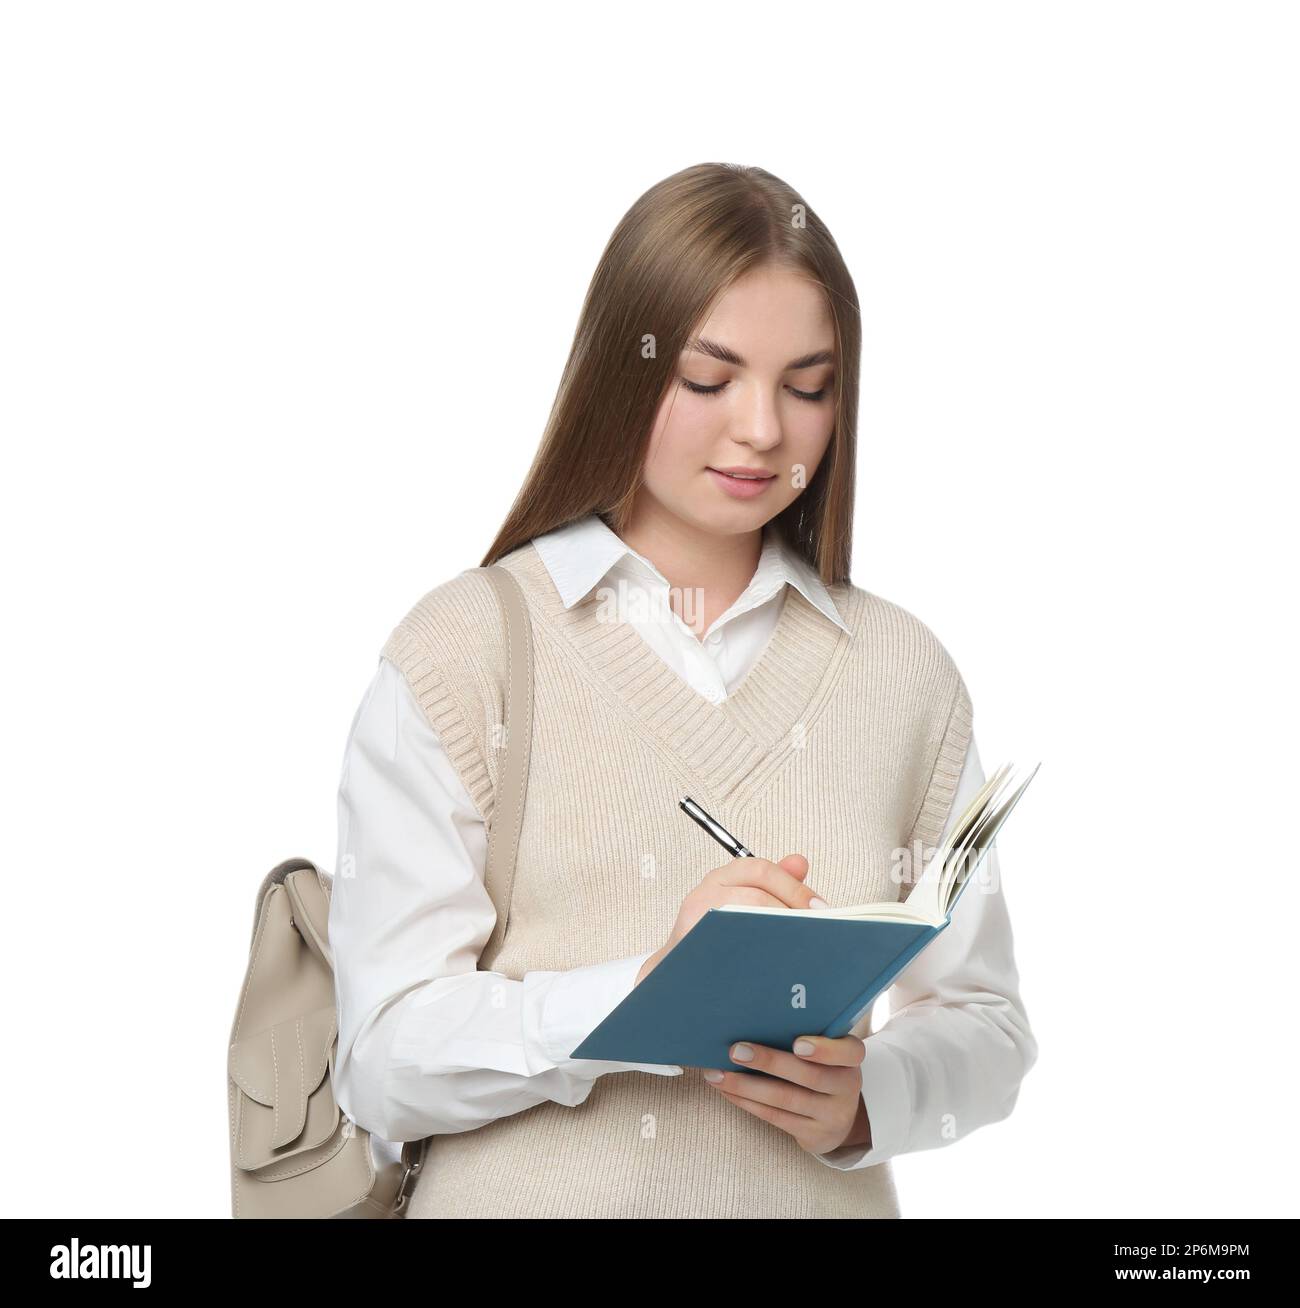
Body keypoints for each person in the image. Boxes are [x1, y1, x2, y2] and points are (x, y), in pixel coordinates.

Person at [327, 162, 1038, 1219]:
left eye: (808, 385)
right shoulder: (465, 649)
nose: (761, 429)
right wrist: (648, 994)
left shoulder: (903, 674)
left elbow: (987, 1024)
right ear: (622, 369)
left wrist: (866, 1099)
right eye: (709, 380)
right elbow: (380, 1059)